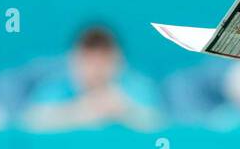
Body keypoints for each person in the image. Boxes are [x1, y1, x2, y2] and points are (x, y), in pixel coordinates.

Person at [23, 25, 160, 131]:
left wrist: (126, 111)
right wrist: (78, 111)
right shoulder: (56, 87)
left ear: (120, 60)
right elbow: (31, 122)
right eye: (89, 60)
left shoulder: (137, 86)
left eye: (104, 59)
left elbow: (159, 122)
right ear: (72, 60)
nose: (96, 69)